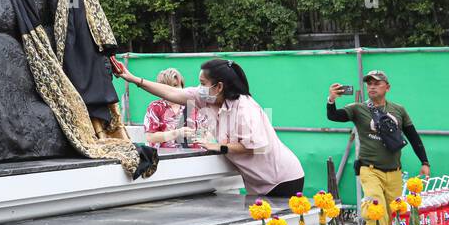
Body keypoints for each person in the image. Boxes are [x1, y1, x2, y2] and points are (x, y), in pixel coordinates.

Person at [112, 57, 306, 197]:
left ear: (219, 87)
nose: (199, 87)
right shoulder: (206, 98)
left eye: (203, 83)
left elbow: (256, 145)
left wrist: (218, 147)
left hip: (282, 180)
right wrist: (133, 79)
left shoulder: (244, 108)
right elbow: (171, 93)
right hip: (260, 184)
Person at [327, 70, 430, 225]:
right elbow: (333, 116)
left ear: (387, 88)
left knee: (395, 216)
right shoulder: (358, 108)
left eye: (377, 83)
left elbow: (413, 136)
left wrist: (424, 162)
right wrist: (331, 100)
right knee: (376, 210)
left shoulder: (398, 110)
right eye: (369, 84)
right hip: (370, 170)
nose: (372, 87)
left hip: (394, 171)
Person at [140, 68, 203, 149]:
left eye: (176, 85)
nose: (173, 89)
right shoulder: (156, 107)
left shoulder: (193, 106)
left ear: (182, 86)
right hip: (164, 158)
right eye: (168, 86)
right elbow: (150, 137)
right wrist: (176, 133)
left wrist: (195, 134)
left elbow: (205, 133)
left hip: (191, 157)